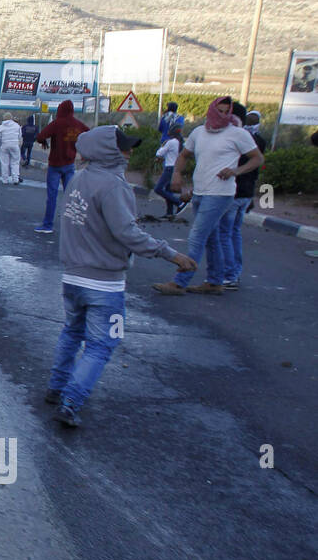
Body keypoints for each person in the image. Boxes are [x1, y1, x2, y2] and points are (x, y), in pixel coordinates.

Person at [47, 126, 195, 427]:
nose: (129, 153)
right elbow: (128, 234)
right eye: (124, 148)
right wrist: (171, 254)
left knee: (72, 333)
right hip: (104, 282)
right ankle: (71, 402)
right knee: (102, 345)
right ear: (108, 151)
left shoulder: (78, 179)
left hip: (73, 278)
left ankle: (57, 387)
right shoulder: (114, 186)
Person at [152, 96, 263, 296]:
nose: (222, 115)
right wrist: (177, 174)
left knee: (197, 236)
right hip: (201, 192)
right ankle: (214, 282)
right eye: (219, 110)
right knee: (212, 238)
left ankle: (179, 282)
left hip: (221, 194)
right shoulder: (199, 133)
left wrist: (235, 171)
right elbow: (184, 155)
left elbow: (257, 159)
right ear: (211, 110)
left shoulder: (237, 134)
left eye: (226, 112)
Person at [217, 102, 266, 289]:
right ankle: (234, 272)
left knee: (224, 234)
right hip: (246, 193)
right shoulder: (258, 139)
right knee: (234, 233)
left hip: (234, 192)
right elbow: (257, 168)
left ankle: (229, 274)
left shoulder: (237, 138)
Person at [34, 99, 89, 233]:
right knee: (72, 196)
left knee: (52, 196)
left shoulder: (57, 123)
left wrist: (44, 142)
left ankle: (48, 225)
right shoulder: (78, 125)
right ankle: (75, 225)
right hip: (70, 164)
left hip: (55, 164)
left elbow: (40, 136)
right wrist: (85, 152)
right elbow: (89, 133)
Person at [152, 126, 183, 217]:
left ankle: (179, 203)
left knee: (158, 189)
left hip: (169, 168)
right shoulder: (179, 142)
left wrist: (163, 145)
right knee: (168, 190)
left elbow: (159, 153)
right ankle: (169, 212)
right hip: (175, 168)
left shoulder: (171, 142)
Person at [0, 113, 22, 184]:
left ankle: (5, 180)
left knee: (4, 163)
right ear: (11, 118)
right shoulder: (17, 126)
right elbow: (20, 136)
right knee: (15, 162)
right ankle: (15, 179)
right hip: (15, 146)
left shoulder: (1, 127)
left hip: (5, 146)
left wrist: (3, 139)